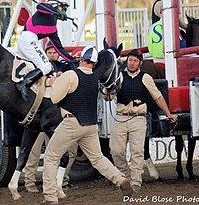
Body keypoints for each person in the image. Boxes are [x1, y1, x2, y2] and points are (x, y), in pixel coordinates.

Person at [42, 46, 132, 204]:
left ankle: (50, 196)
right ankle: (120, 180)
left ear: (81, 58)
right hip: (90, 125)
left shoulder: (71, 74)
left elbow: (55, 98)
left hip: (72, 122)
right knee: (98, 158)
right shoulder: (95, 78)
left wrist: (53, 82)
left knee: (51, 156)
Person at [108, 48, 176, 193]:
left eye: (135, 61)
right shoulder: (118, 77)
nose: (132, 63)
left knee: (137, 151)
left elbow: (157, 97)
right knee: (116, 151)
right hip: (121, 117)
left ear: (140, 63)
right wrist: (107, 92)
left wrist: (168, 113)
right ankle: (124, 177)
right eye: (130, 60)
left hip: (138, 118)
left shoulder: (146, 78)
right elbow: (109, 97)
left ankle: (135, 182)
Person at [24, 42, 79, 193]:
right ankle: (30, 182)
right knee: (34, 152)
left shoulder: (66, 68)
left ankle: (61, 181)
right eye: (49, 52)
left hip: (57, 116)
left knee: (64, 151)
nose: (53, 55)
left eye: (54, 52)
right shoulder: (39, 68)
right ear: (45, 54)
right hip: (40, 115)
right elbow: (32, 85)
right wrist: (49, 81)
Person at [16, 0, 75, 102]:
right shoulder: (46, 10)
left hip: (27, 41)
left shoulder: (53, 29)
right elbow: (40, 6)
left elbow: (59, 48)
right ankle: (24, 84)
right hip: (28, 38)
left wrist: (71, 59)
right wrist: (54, 11)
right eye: (63, 9)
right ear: (57, 7)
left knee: (35, 67)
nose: (65, 12)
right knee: (47, 66)